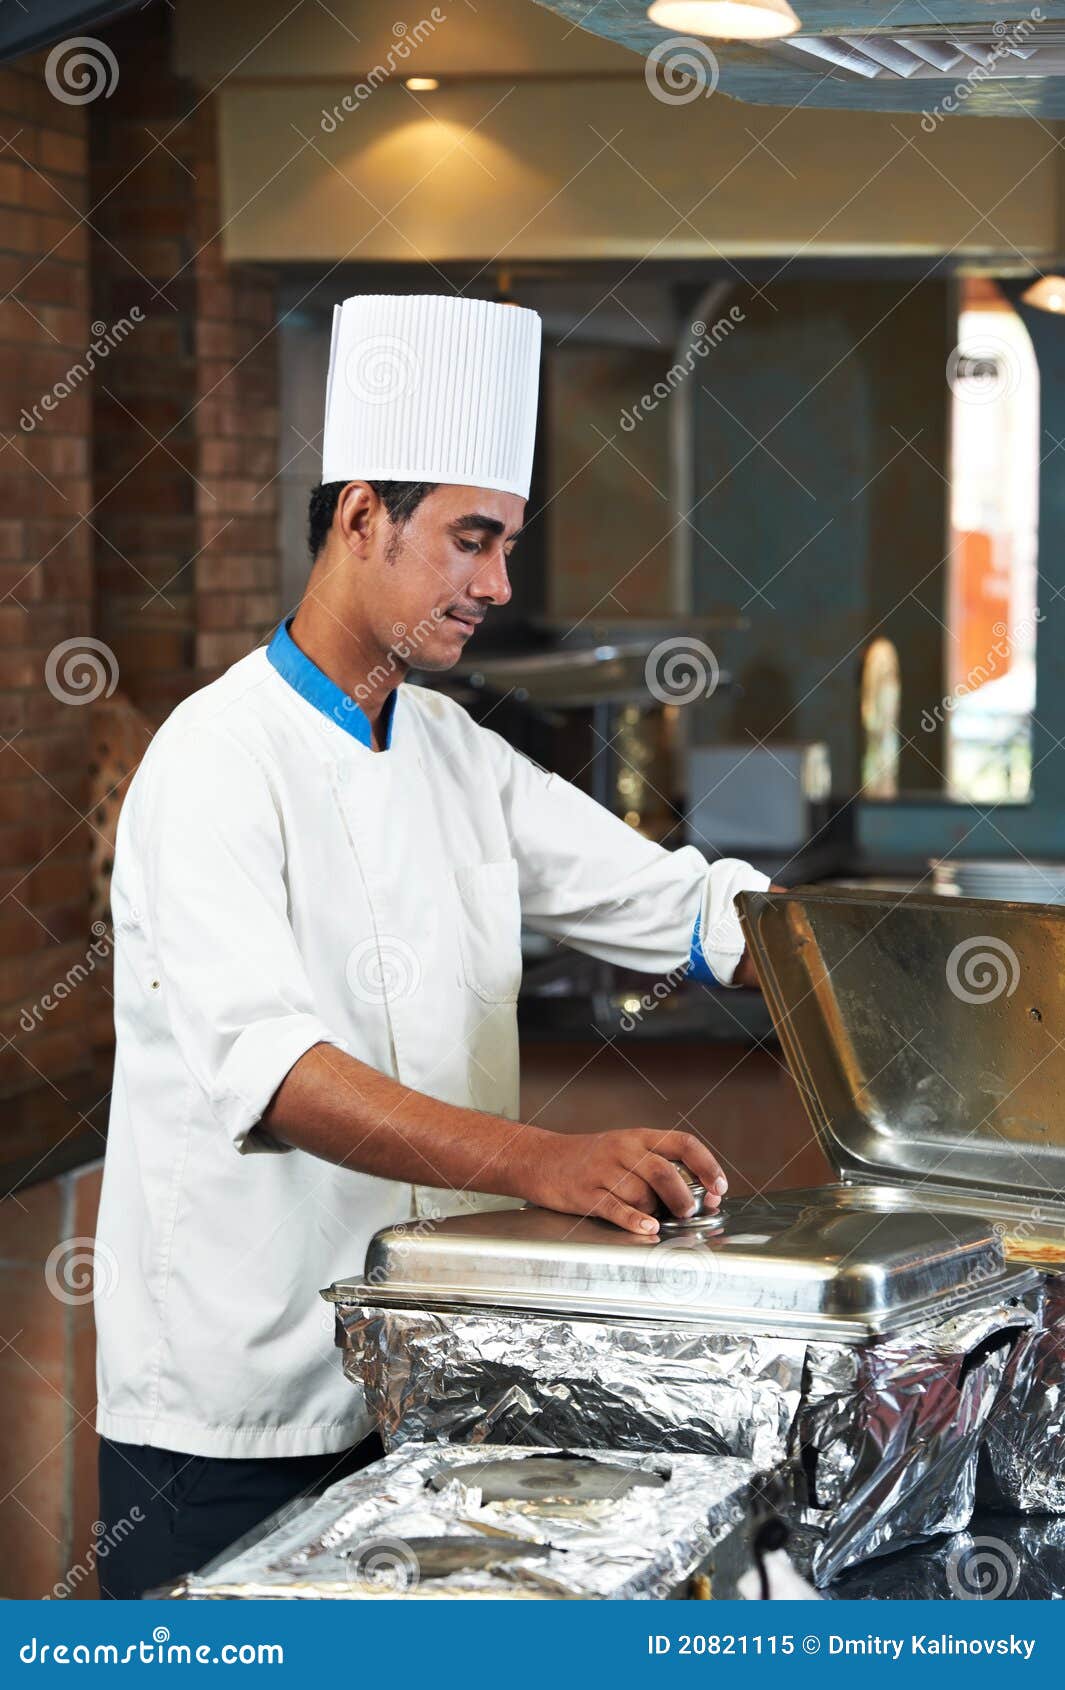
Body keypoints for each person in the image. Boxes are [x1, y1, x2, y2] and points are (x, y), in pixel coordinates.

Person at [93, 293, 770, 1596]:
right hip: (237, 1423)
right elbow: (278, 1072)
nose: (498, 585)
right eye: (471, 539)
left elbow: (679, 907)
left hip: (426, 1395)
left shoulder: (460, 756)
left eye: (506, 543)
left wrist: (904, 962)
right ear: (362, 518)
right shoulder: (214, 761)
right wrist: (546, 1164)